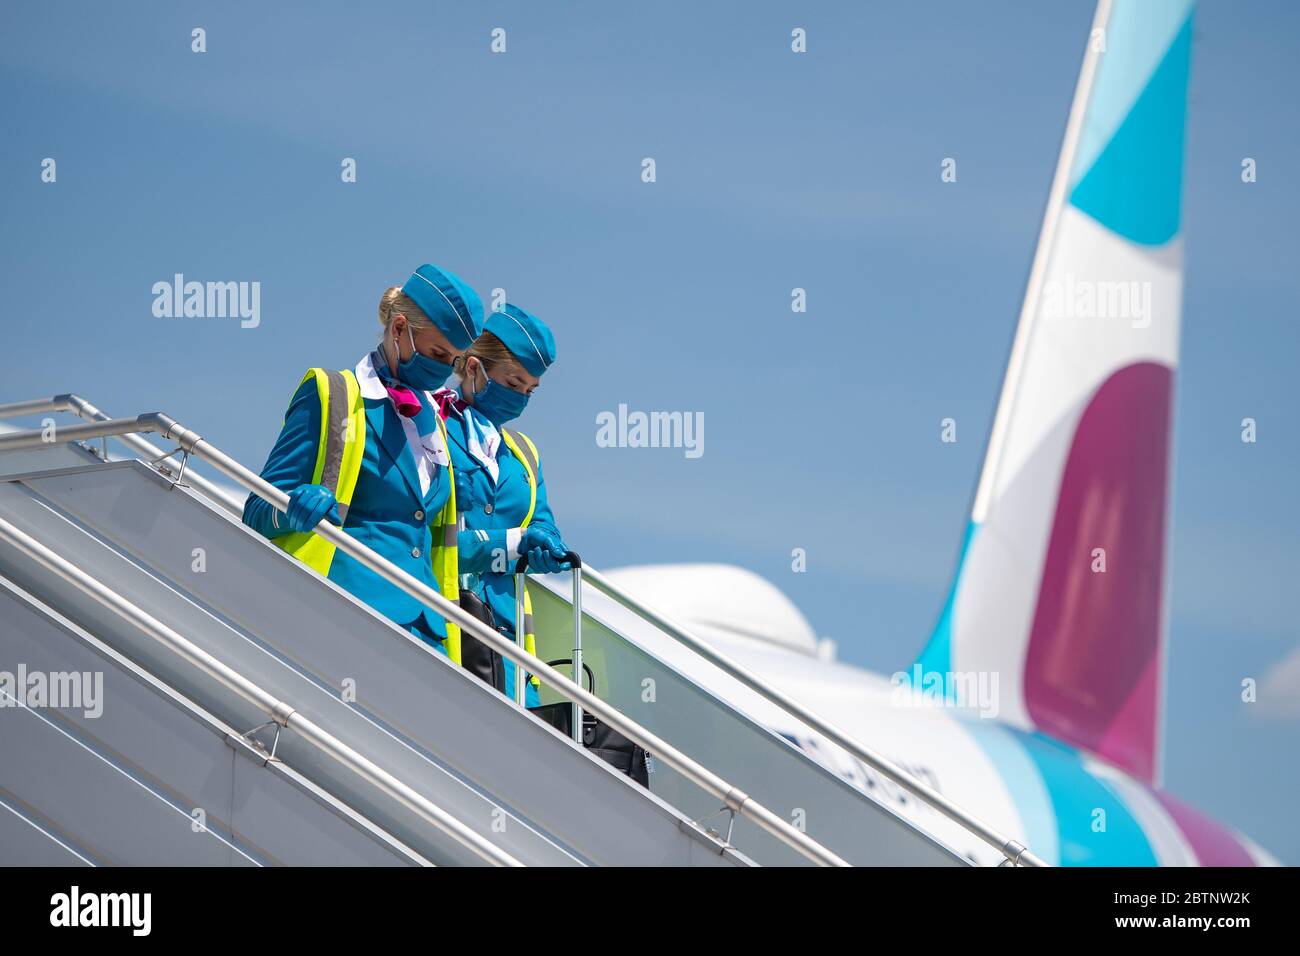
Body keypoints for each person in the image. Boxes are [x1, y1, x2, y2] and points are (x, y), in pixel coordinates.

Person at [243, 263, 484, 662]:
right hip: (346, 618)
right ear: (399, 328)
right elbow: (256, 511)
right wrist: (292, 508)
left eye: (454, 360)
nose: (444, 369)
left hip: (429, 635)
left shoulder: (435, 421)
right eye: (438, 353)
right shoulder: (331, 393)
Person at [433, 304, 570, 707]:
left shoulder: (524, 455)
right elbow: (427, 535)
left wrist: (547, 549)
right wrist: (513, 545)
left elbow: (542, 526)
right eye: (513, 382)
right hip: (445, 631)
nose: (521, 399)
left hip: (510, 652)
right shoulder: (432, 427)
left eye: (530, 390)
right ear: (474, 368)